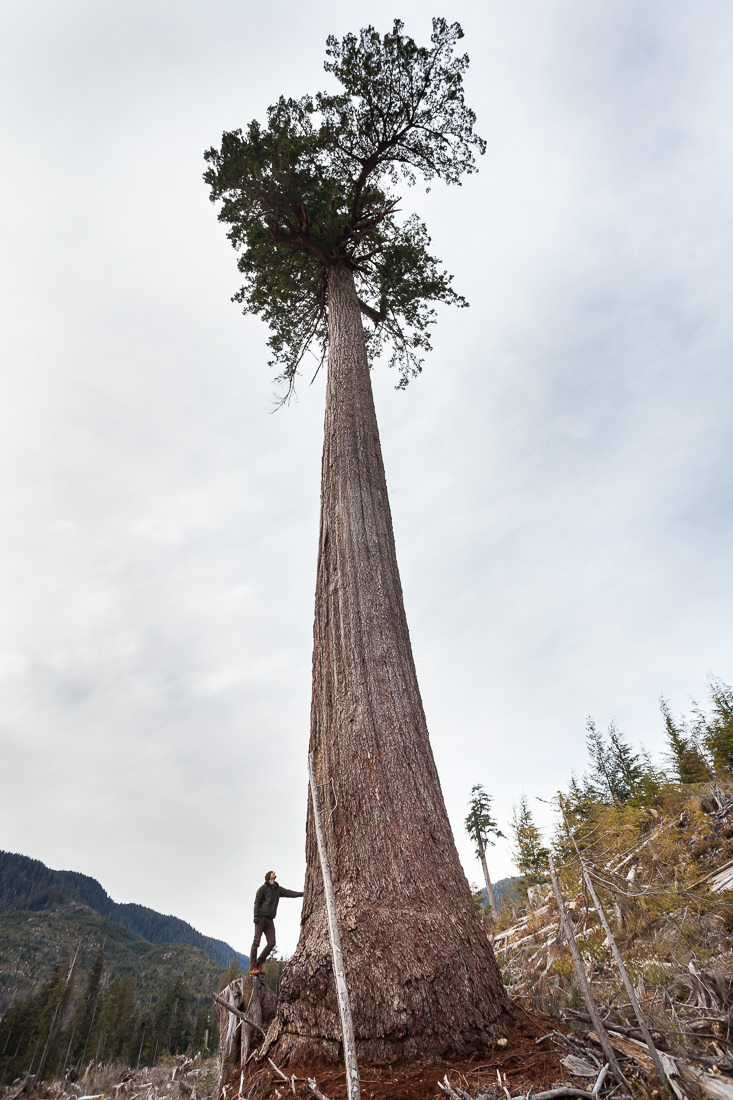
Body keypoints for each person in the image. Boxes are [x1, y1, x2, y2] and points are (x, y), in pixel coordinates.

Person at [249, 870, 303, 975]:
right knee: (256, 942)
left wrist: (303, 894)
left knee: (272, 943)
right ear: (268, 876)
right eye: (272, 872)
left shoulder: (278, 889)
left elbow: (290, 893)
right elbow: (256, 902)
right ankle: (252, 968)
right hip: (260, 918)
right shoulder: (262, 889)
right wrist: (255, 916)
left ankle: (259, 963)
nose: (274, 873)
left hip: (270, 920)